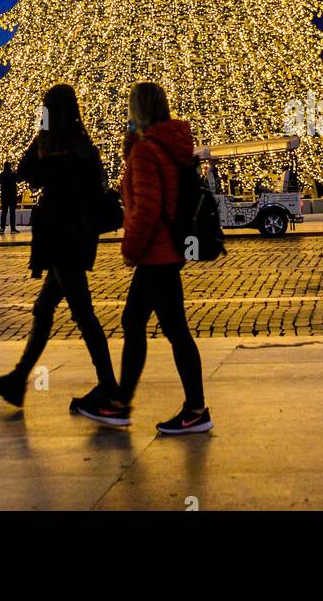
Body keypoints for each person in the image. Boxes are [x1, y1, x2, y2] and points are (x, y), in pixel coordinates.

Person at [0, 84, 123, 423]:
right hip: (77, 237)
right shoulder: (83, 144)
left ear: (49, 112)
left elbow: (27, 171)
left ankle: (110, 389)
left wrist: (41, 132)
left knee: (83, 315)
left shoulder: (52, 144)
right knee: (45, 307)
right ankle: (17, 380)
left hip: (61, 239)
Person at [115, 82, 212, 436]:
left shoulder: (146, 150)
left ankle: (195, 409)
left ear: (139, 110)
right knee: (134, 321)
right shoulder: (170, 145)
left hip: (156, 254)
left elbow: (147, 208)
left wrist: (130, 248)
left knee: (174, 330)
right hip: (168, 250)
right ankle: (121, 401)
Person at [0, 161, 19, 234]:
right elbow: (19, 180)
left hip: (4, 196)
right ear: (10, 166)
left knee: (4, 212)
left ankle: (2, 228)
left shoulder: (1, 174)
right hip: (12, 195)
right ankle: (13, 229)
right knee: (12, 212)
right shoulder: (13, 174)